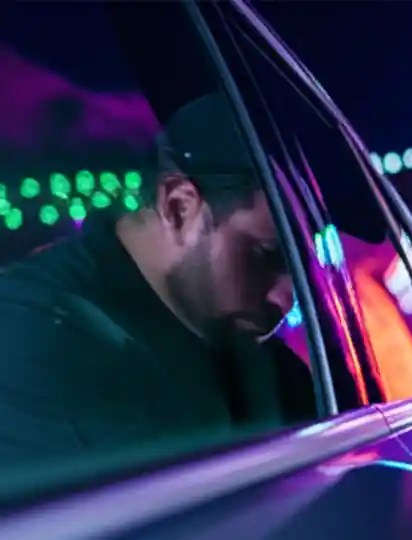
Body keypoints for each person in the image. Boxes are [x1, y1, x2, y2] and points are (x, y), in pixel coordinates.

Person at [0, 93, 313, 470]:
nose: (288, 297)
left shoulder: (262, 364)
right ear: (179, 208)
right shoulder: (34, 341)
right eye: (266, 254)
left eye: (300, 267)